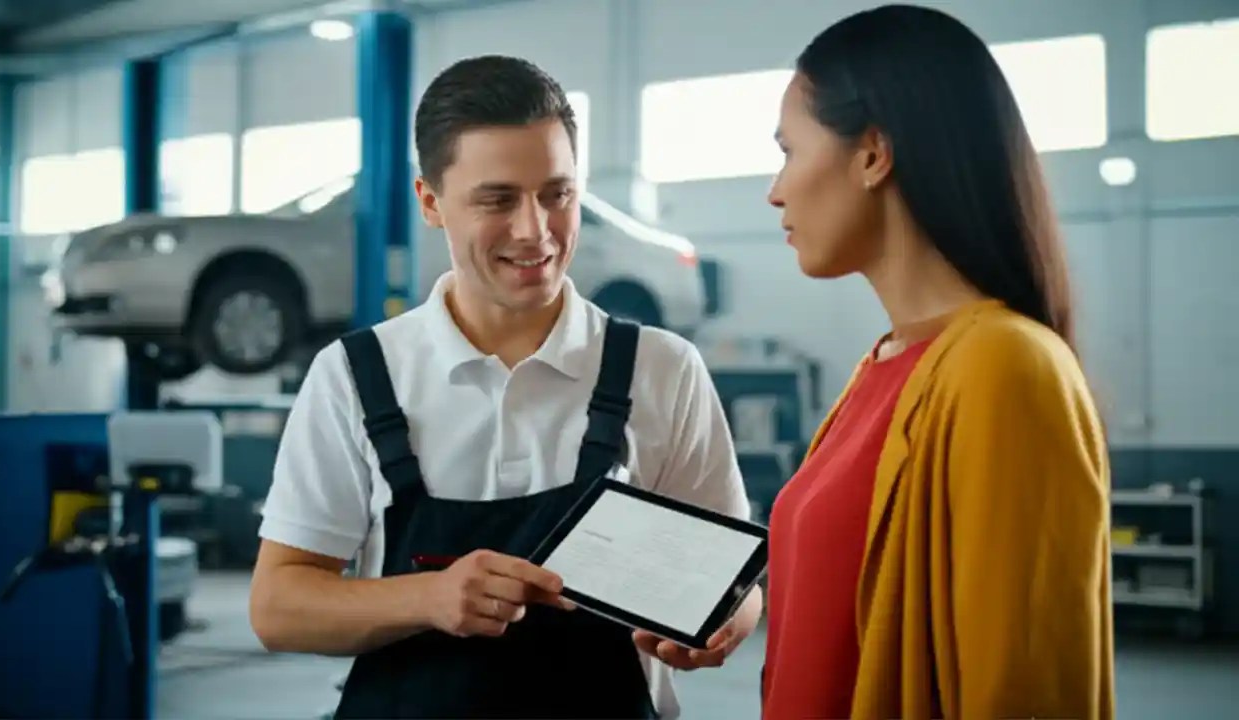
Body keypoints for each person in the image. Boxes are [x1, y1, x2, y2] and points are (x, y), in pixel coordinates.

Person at [248, 54, 762, 719]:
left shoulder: (662, 370)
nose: (535, 230)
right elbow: (277, 607)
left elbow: (734, 585)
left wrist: (727, 624)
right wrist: (427, 599)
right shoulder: (356, 376)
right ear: (431, 203)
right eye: (498, 200)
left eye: (558, 193)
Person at [761, 5, 1113, 720]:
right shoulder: (884, 366)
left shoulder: (1006, 367)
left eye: (789, 151)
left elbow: (1025, 690)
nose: (775, 189)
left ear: (871, 154)